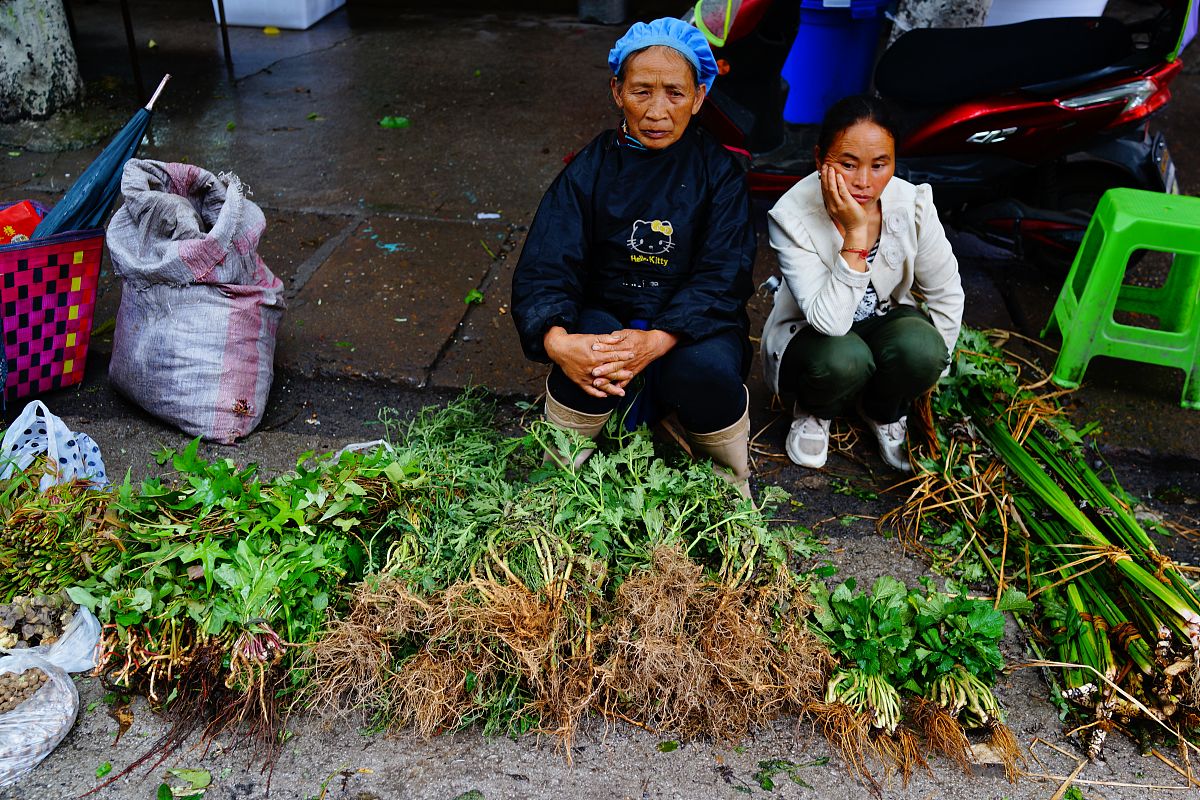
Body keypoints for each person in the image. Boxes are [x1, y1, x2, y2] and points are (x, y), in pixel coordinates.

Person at [510, 17, 756, 498]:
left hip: (691, 323)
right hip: (608, 310)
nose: (658, 111)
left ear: (700, 96)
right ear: (617, 91)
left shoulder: (719, 172)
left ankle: (729, 490)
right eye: (642, 91)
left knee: (704, 371)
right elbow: (546, 261)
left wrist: (660, 339)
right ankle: (554, 485)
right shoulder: (591, 167)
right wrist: (560, 342)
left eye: (675, 93)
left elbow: (723, 274)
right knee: (593, 354)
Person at [761, 95, 963, 472]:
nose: (864, 183)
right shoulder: (791, 215)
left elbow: (946, 290)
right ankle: (815, 409)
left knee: (925, 349)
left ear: (894, 163)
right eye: (848, 164)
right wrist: (856, 235)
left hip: (881, 322)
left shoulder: (912, 202)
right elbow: (830, 324)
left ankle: (882, 409)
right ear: (821, 158)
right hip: (814, 337)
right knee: (844, 359)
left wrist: (929, 376)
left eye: (880, 165)